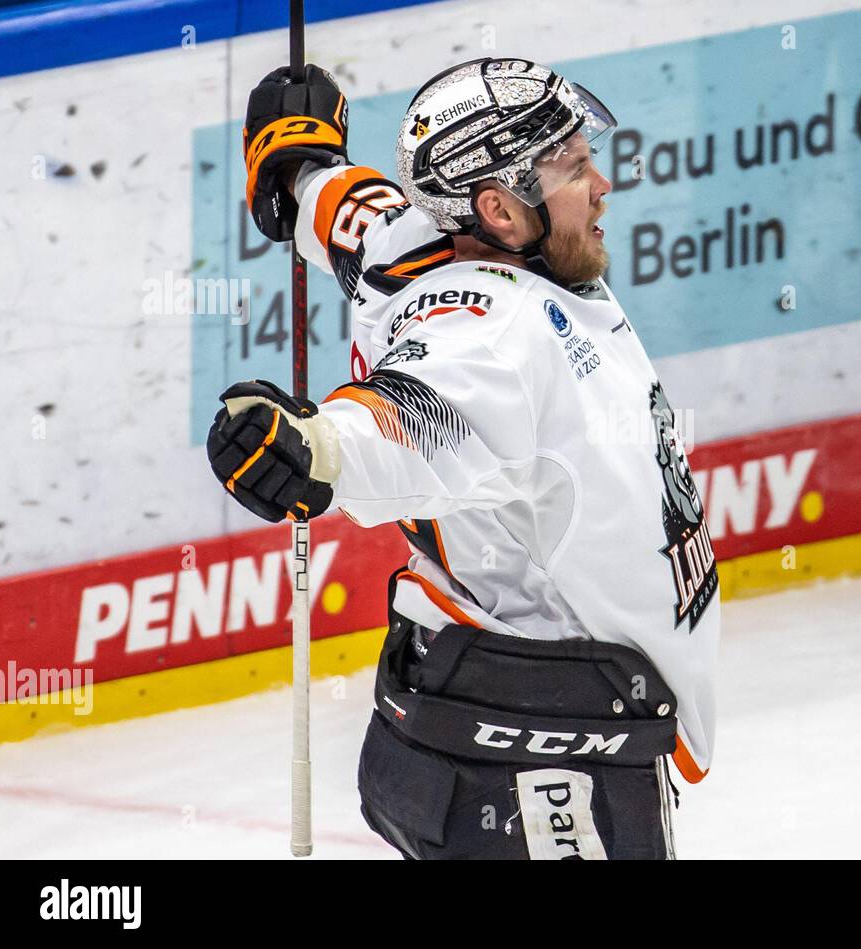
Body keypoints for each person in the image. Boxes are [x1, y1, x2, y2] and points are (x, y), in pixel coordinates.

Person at [207, 57, 720, 859]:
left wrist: (302, 168)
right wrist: (316, 448)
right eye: (573, 168)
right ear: (499, 209)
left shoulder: (416, 241)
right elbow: (412, 420)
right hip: (537, 752)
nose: (602, 185)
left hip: (494, 709)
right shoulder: (495, 338)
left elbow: (356, 215)